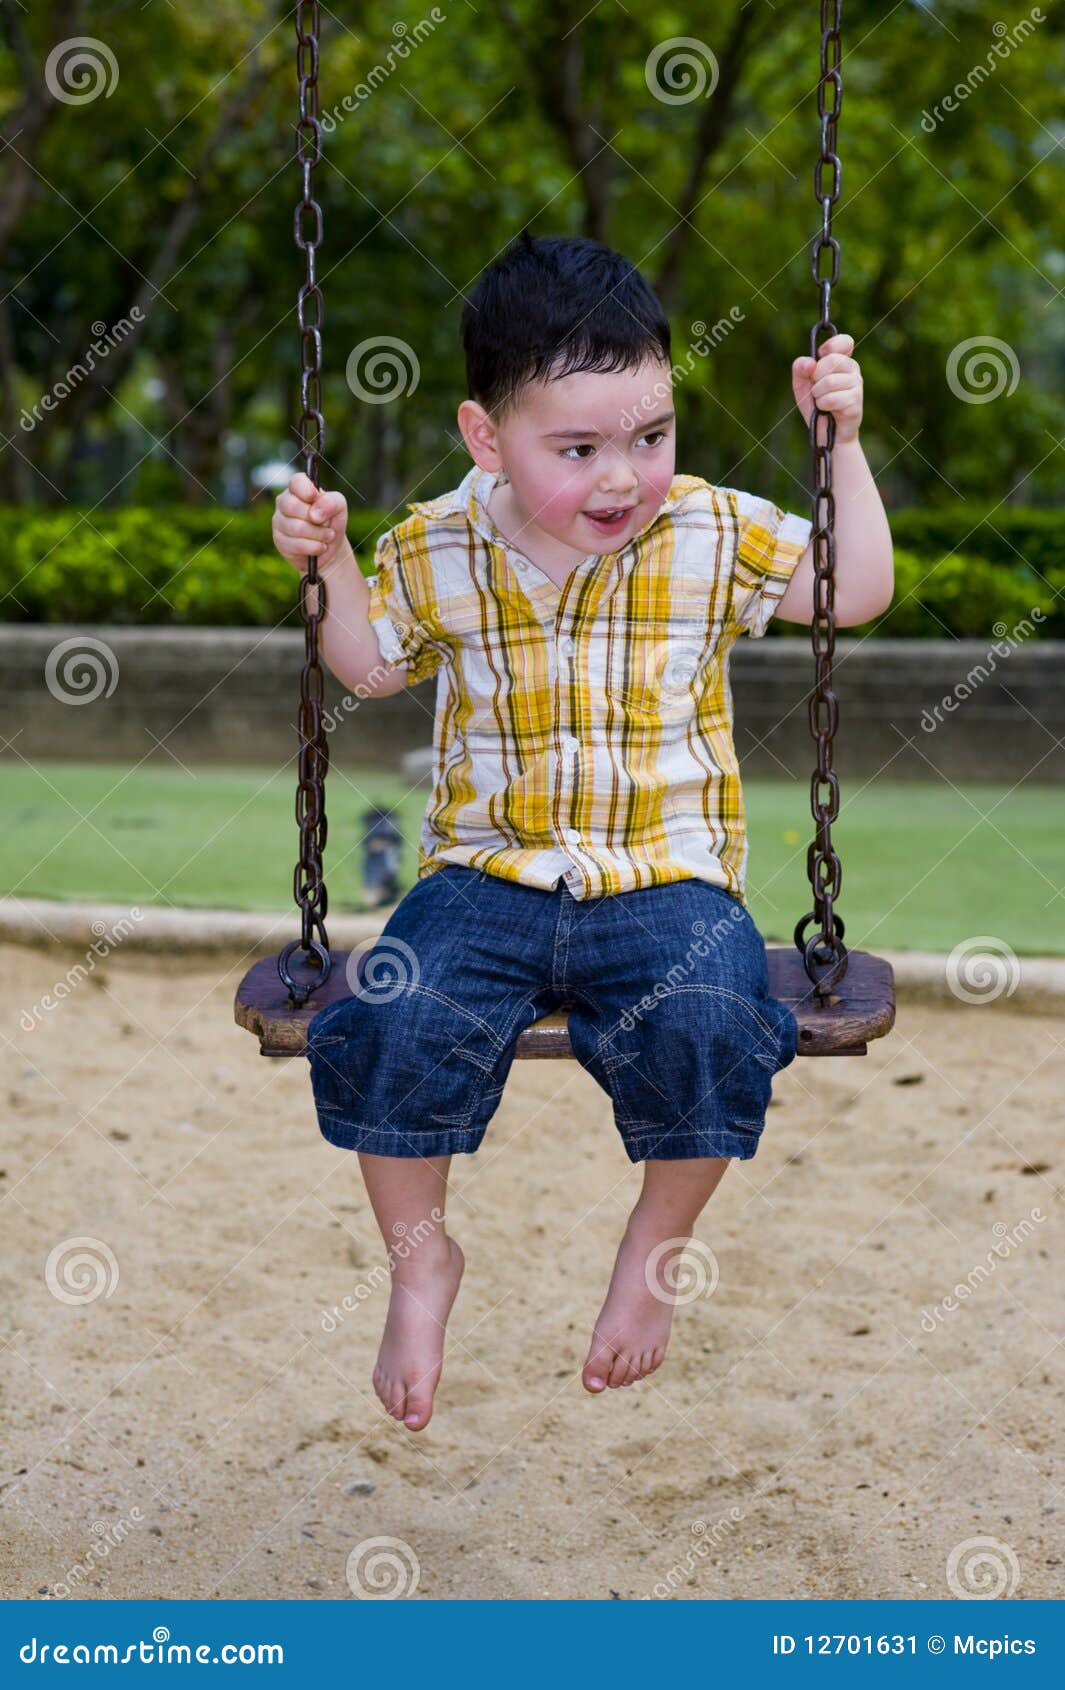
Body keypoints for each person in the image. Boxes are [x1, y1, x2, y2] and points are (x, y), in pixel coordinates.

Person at [271, 231, 893, 1432]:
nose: (622, 477)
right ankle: (419, 1260)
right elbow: (365, 663)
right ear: (484, 436)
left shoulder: (711, 534)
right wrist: (332, 558)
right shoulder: (437, 545)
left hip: (667, 881)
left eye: (649, 438)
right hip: (486, 876)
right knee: (390, 1019)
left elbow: (854, 591)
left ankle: (654, 1252)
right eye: (580, 448)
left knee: (714, 1021)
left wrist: (844, 448)